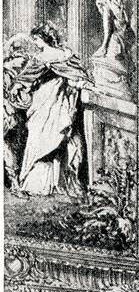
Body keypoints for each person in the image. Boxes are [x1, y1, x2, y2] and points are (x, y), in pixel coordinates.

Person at [3, 23, 94, 196]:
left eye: (36, 39)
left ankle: (42, 184)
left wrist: (17, 87)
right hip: (55, 101)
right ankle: (51, 183)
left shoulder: (43, 56)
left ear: (43, 38)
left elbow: (27, 77)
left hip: (50, 101)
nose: (35, 43)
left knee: (42, 138)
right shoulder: (64, 54)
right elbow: (77, 73)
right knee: (51, 139)